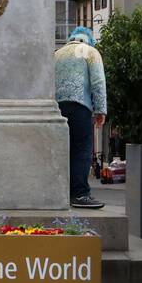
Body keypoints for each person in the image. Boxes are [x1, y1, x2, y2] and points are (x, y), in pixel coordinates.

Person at [54, 26, 108, 209]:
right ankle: (80, 194)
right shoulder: (91, 52)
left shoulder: (57, 54)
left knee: (62, 150)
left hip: (56, 107)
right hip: (80, 105)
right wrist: (100, 110)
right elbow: (98, 82)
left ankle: (59, 192)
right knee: (82, 149)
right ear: (88, 39)